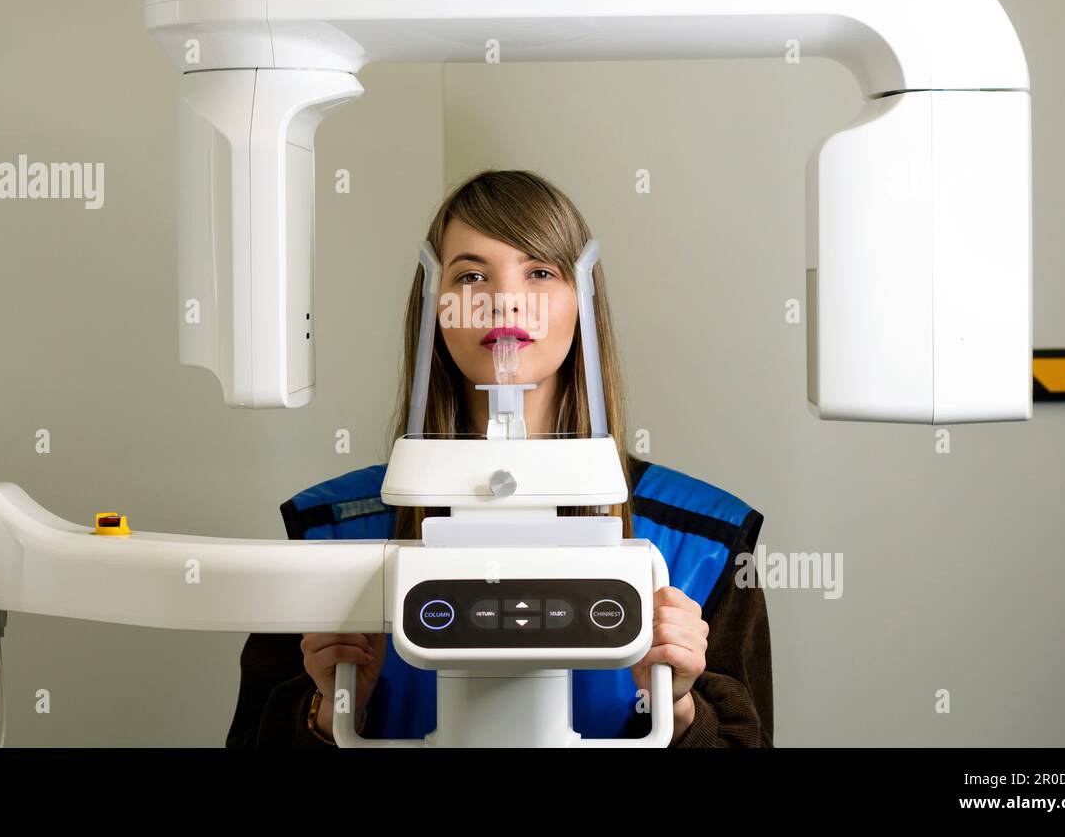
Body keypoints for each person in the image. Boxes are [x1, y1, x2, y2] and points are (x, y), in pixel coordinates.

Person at [226, 170, 773, 747]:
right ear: (435, 309)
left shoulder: (706, 542)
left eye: (539, 272)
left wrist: (679, 705)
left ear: (583, 301)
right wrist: (331, 708)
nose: (504, 302)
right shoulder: (327, 533)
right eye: (470, 276)